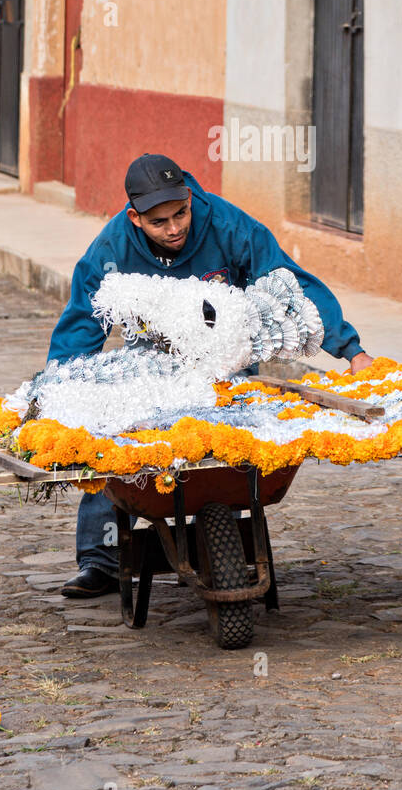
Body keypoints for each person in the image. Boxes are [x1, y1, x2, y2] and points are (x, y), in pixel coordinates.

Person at [50, 153, 374, 597]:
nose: (175, 227)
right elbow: (83, 319)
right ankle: (101, 560)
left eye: (180, 212)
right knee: (117, 439)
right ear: (135, 218)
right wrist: (59, 387)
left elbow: (290, 282)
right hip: (151, 367)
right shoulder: (112, 248)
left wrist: (351, 350)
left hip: (226, 361)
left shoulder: (228, 225)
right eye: (159, 221)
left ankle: (234, 544)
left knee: (228, 455)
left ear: (190, 197)